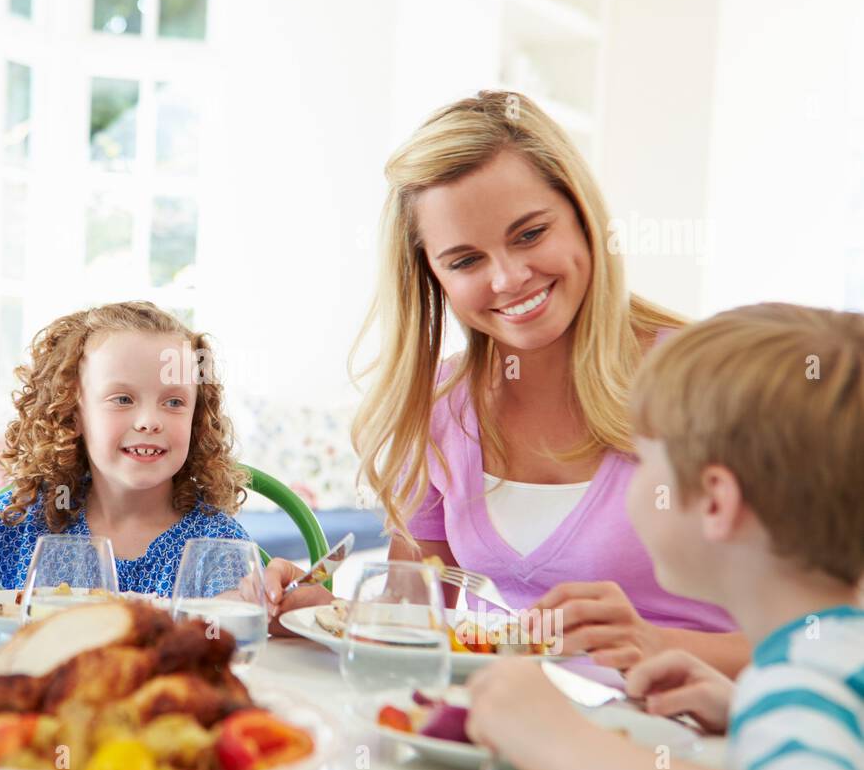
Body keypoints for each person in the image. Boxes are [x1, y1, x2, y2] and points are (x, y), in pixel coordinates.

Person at [270, 91, 747, 674]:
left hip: (678, 727)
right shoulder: (442, 406)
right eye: (466, 261)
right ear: (433, 277)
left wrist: (658, 645)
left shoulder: (718, 384)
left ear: (583, 215)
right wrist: (323, 615)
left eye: (529, 234)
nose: (509, 278)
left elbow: (829, 643)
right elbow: (408, 626)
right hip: (496, 723)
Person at [467, 303, 864, 770]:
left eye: (644, 457)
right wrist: (744, 711)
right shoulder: (829, 662)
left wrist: (565, 743)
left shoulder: (802, 682)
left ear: (716, 502)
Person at [0, 302, 252, 611]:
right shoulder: (33, 513)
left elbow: (237, 625)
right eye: (122, 399)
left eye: (173, 402)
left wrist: (267, 608)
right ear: (74, 414)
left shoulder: (214, 540)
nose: (149, 421)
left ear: (196, 418)